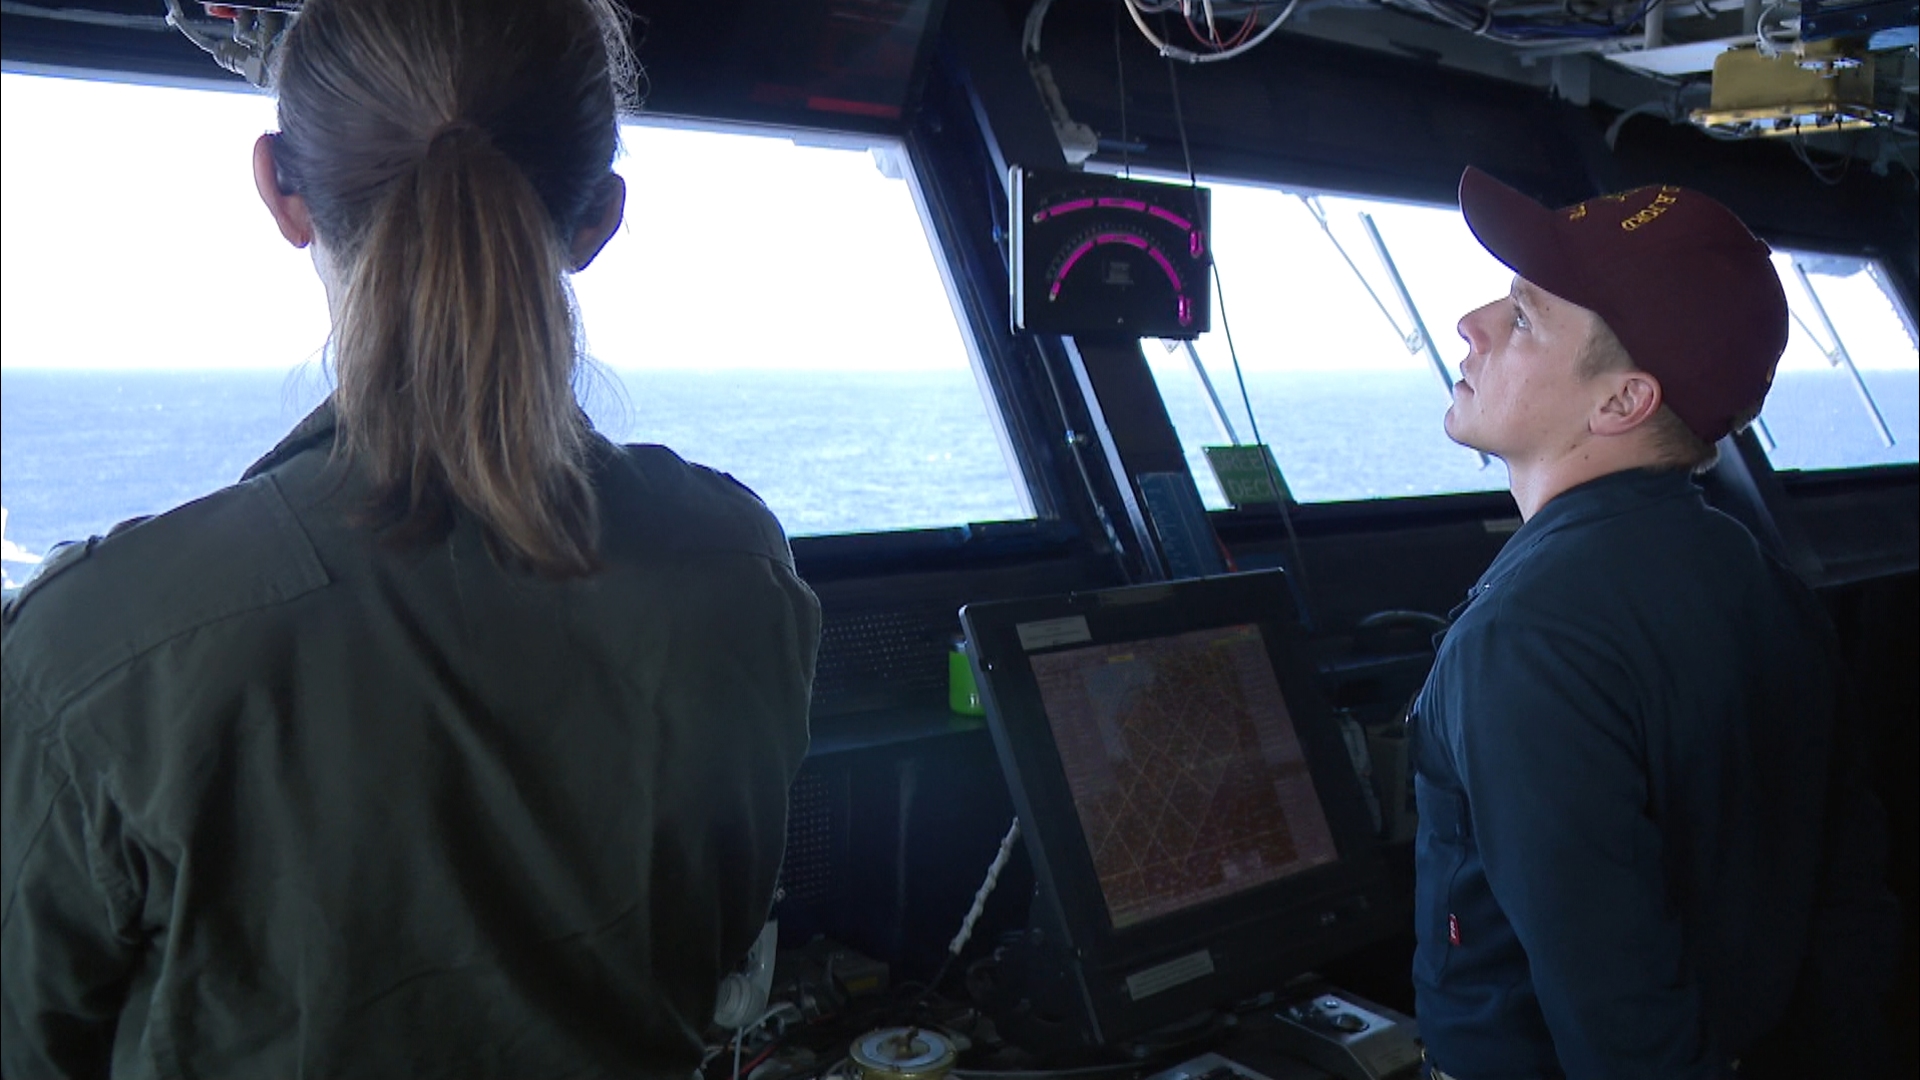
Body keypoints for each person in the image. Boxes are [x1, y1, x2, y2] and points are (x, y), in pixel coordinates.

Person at [0, 1, 820, 1076]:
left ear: (281, 191)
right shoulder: (743, 572)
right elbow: (721, 945)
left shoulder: (94, 653)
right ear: (598, 219)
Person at [1408, 167, 1899, 1079]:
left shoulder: (1526, 640)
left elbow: (1623, 1028)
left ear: (1623, 401)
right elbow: (1847, 913)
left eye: (1522, 317)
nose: (1472, 324)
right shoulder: (1761, 579)